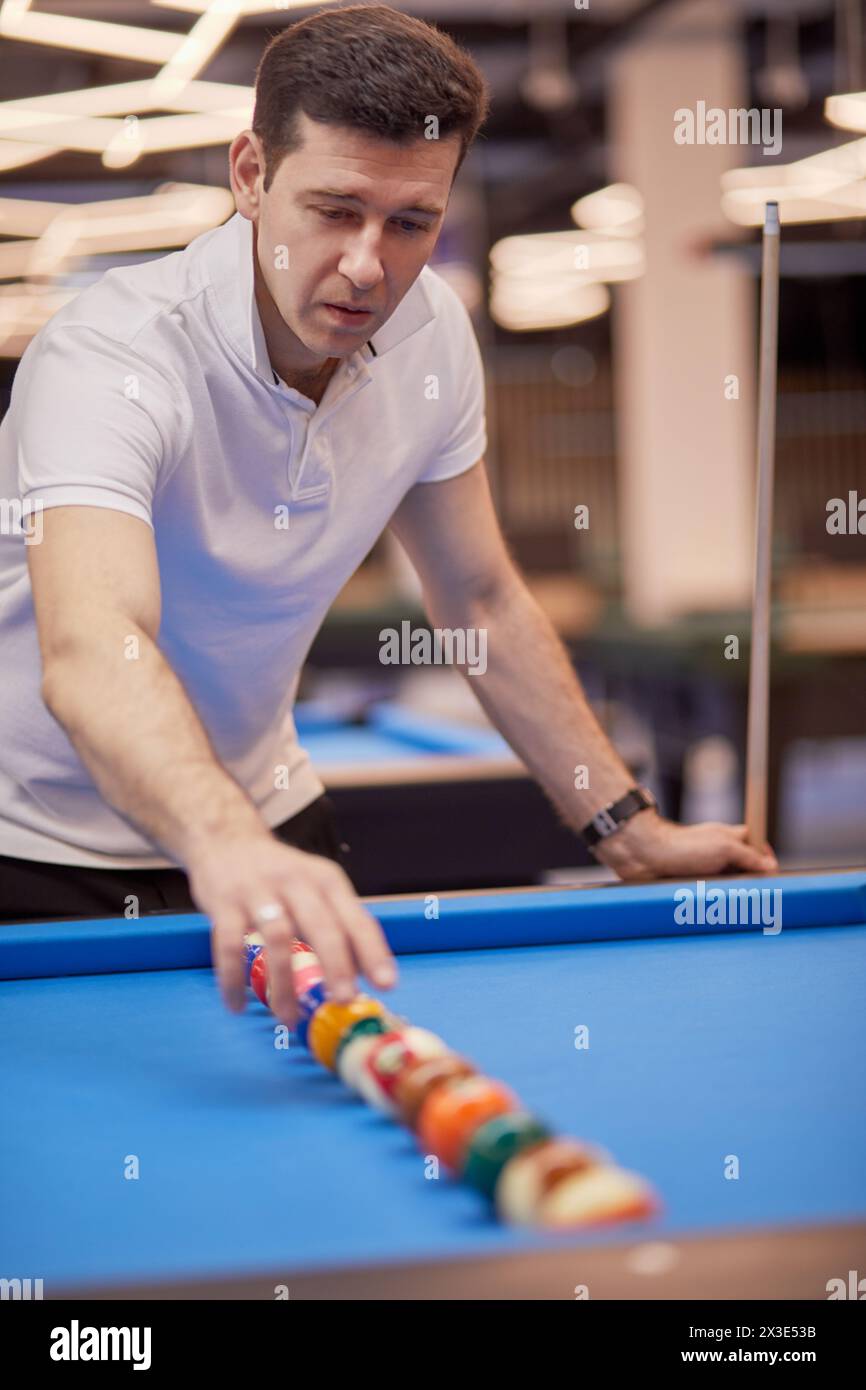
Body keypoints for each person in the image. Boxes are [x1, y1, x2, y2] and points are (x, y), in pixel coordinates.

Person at [0, 5, 777, 1022]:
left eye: (411, 222)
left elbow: (480, 599)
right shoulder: (109, 356)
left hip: (265, 807)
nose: (369, 266)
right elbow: (95, 644)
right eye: (333, 208)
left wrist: (622, 826)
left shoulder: (431, 339)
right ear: (248, 174)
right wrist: (224, 847)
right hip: (35, 844)